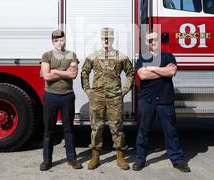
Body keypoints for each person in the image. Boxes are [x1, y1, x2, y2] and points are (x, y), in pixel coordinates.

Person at [133, 32, 190, 172]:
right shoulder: (142, 58)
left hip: (165, 100)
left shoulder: (168, 56)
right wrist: (162, 70)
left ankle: (177, 160)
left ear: (159, 41)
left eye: (155, 40)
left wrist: (151, 68)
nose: (153, 42)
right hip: (147, 100)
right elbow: (143, 75)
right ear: (147, 44)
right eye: (149, 41)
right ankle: (140, 159)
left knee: (171, 131)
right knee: (143, 131)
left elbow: (172, 72)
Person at [81, 28, 134, 170]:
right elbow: (84, 72)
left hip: (114, 97)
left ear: (113, 39)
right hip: (97, 97)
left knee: (116, 126)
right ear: (101, 39)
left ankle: (120, 156)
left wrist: (124, 90)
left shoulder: (121, 57)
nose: (106, 41)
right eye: (104, 38)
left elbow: (131, 73)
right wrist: (87, 90)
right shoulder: (93, 57)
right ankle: (95, 156)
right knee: (96, 126)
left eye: (109, 38)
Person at [39, 29, 82, 171]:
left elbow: (73, 75)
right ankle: (47, 160)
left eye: (61, 40)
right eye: (56, 40)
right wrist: (65, 73)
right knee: (48, 130)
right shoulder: (47, 55)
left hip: (67, 96)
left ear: (65, 40)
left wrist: (55, 71)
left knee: (68, 129)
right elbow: (46, 76)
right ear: (52, 41)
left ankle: (72, 159)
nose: (59, 42)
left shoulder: (71, 54)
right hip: (50, 96)